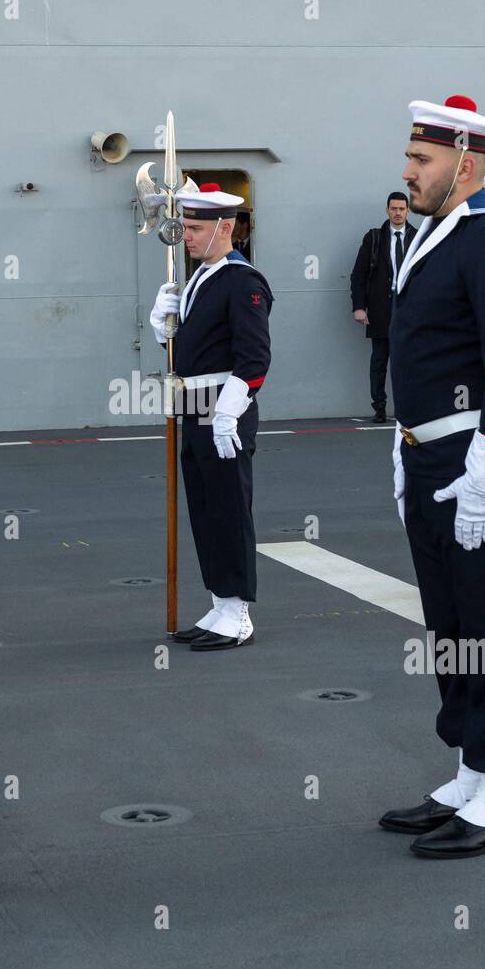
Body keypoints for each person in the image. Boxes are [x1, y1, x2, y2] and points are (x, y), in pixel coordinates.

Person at [381, 95, 485, 860]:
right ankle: (470, 764)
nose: (408, 171)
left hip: (479, 460)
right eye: (411, 157)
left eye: (422, 161)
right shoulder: (438, 235)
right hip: (432, 457)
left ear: (465, 166)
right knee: (451, 624)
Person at [149, 183, 272, 650]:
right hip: (194, 406)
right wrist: (166, 330)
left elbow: (254, 359)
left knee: (228, 509)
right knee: (203, 508)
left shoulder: (243, 282)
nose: (187, 237)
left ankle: (239, 611)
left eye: (197, 229)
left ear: (226, 226)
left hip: (224, 410)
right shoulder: (201, 277)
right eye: (187, 228)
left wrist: (228, 414)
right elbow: (193, 350)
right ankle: (220, 603)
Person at [350, 193, 415, 422]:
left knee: (407, 363)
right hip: (381, 307)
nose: (397, 212)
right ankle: (379, 408)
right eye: (393, 208)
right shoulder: (374, 238)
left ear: (408, 210)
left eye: (401, 208)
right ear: (387, 210)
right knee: (379, 361)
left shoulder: (417, 237)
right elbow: (359, 274)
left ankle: (406, 408)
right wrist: (359, 306)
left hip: (409, 308)